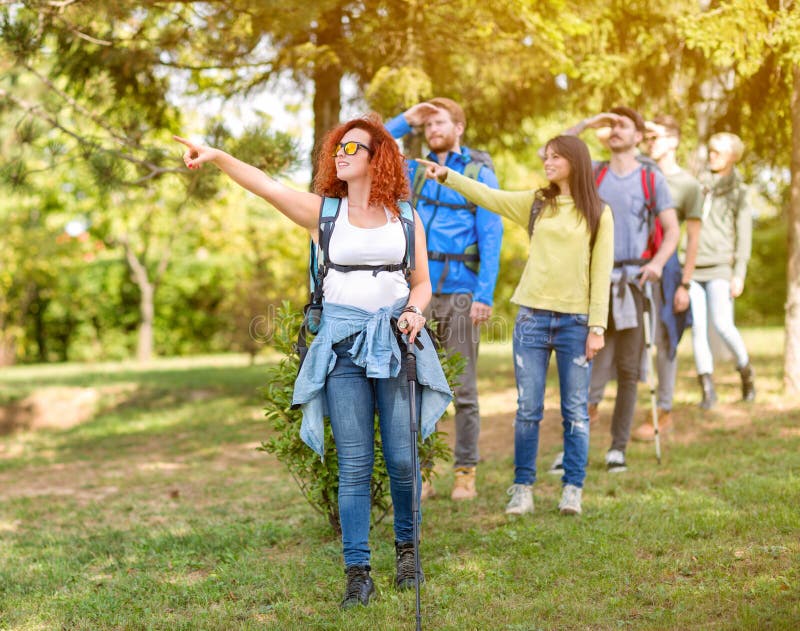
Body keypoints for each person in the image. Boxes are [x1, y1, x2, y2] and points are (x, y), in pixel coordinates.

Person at [173, 113, 452, 610]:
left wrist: (414, 311)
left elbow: (422, 281)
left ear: (378, 157)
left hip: (394, 342)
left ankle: (408, 554)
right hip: (342, 349)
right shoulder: (323, 212)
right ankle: (358, 573)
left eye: (353, 148)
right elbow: (263, 185)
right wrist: (215, 156)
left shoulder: (406, 217)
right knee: (355, 464)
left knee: (404, 459)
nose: (341, 155)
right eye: (338, 149)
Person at [418, 134, 614, 516]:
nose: (548, 162)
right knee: (527, 409)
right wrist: (447, 178)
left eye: (556, 157)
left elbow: (602, 272)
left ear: (575, 160)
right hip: (532, 319)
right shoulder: (538, 203)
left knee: (575, 410)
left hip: (576, 323)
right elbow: (491, 197)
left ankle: (572, 487)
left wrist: (597, 326)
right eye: (546, 156)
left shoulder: (598, 212)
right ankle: (522, 487)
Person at [386, 99, 503, 500]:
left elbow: (492, 236)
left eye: (441, 122)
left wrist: (484, 295)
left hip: (460, 293)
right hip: (417, 292)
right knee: (416, 382)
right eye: (429, 123)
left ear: (460, 127)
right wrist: (407, 120)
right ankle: (427, 469)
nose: (434, 128)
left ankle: (465, 471)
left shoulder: (477, 173)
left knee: (464, 387)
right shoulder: (413, 170)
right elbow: (375, 145)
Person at [552, 107, 680, 473]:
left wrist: (656, 264)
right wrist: (588, 124)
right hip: (595, 282)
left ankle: (617, 448)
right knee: (586, 365)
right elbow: (560, 149)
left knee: (627, 368)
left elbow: (672, 230)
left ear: (639, 136)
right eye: (612, 126)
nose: (615, 130)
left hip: (635, 284)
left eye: (624, 125)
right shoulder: (594, 172)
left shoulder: (650, 178)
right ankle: (574, 447)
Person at [621, 115, 703, 440]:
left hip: (668, 269)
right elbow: (603, 136)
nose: (650, 142)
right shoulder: (637, 169)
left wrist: (685, 283)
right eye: (648, 136)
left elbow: (692, 238)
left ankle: (664, 410)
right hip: (632, 263)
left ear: (674, 141)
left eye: (657, 136)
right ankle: (626, 405)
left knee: (666, 338)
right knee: (635, 338)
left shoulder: (688, 184)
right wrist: (642, 129)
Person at [690, 132, 754, 407]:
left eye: (717, 151)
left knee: (723, 325)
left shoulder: (740, 192)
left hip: (720, 267)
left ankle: (746, 372)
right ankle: (707, 389)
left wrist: (739, 272)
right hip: (693, 267)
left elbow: (744, 234)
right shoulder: (699, 184)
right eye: (711, 151)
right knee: (698, 329)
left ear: (731, 156)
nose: (711, 155)